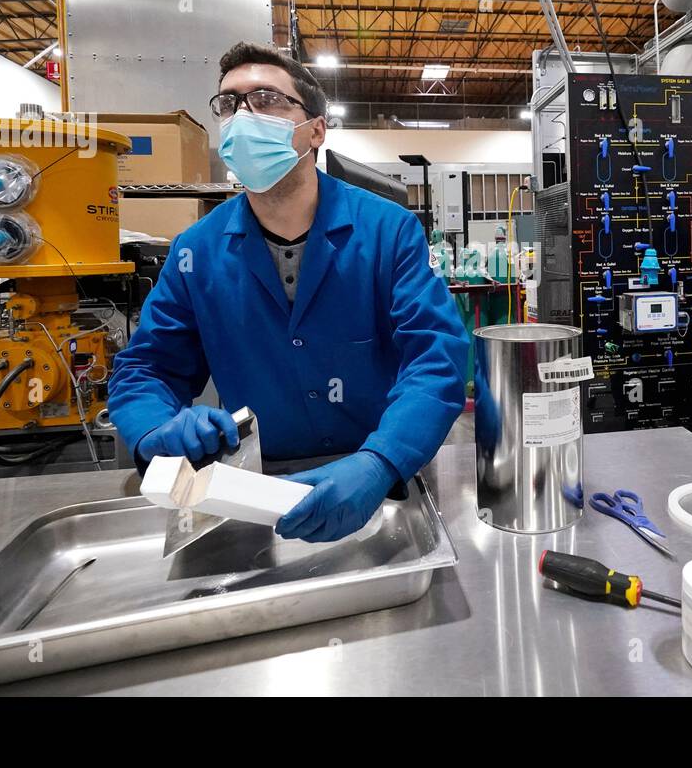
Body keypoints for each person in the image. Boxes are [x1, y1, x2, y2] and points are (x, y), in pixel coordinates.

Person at [108, 42, 469, 542]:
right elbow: (148, 366)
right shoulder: (198, 251)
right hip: (257, 492)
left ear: (316, 130)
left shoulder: (388, 231)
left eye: (267, 100)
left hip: (381, 478)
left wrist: (382, 460)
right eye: (230, 104)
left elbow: (437, 358)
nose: (243, 116)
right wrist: (154, 428)